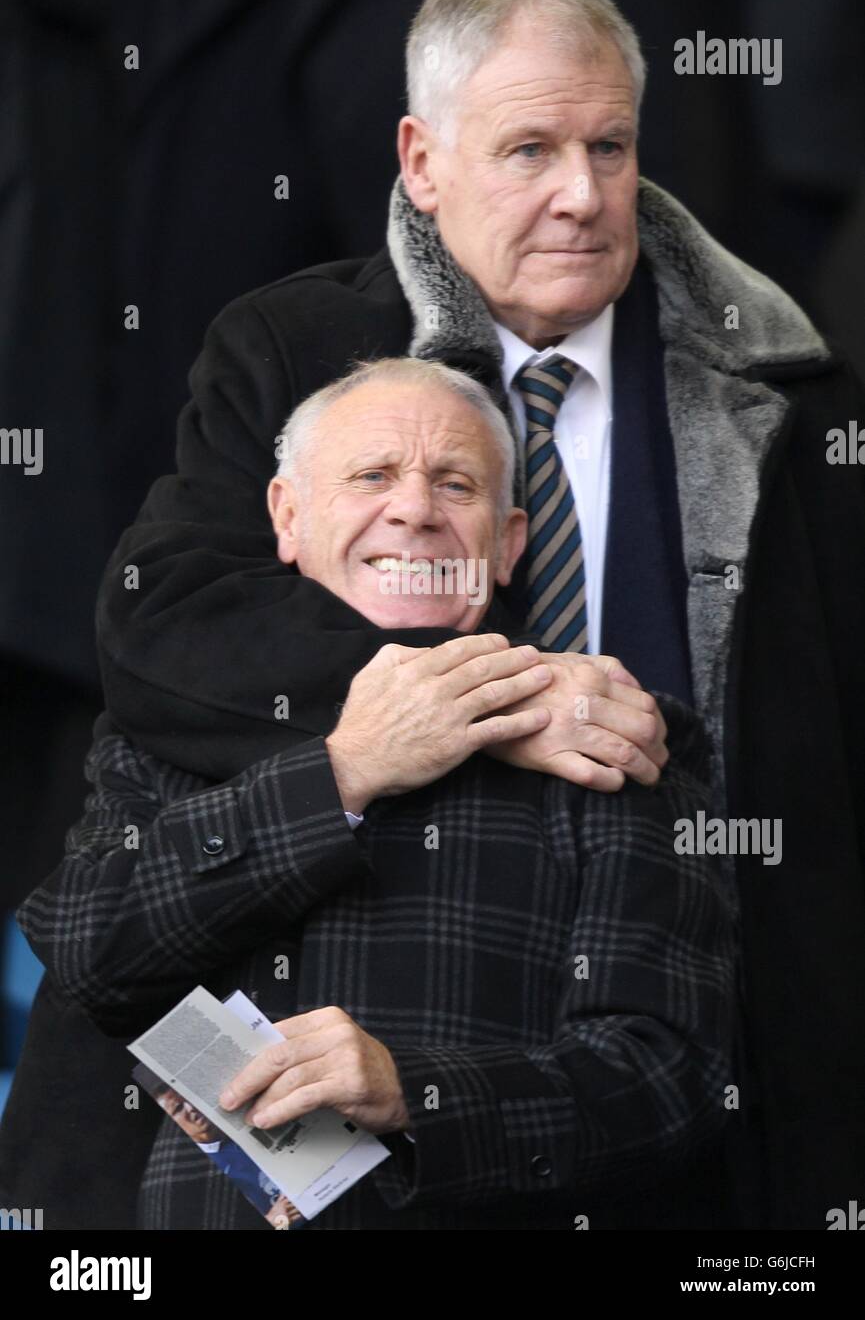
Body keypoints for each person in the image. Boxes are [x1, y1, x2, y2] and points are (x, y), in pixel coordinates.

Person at [18, 359, 735, 1230]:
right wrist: (345, 770)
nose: (414, 511)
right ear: (288, 517)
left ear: (509, 541)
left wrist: (412, 1091)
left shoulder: (607, 741)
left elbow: (670, 1081)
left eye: (455, 483)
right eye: (371, 476)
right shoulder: (173, 730)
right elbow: (88, 951)